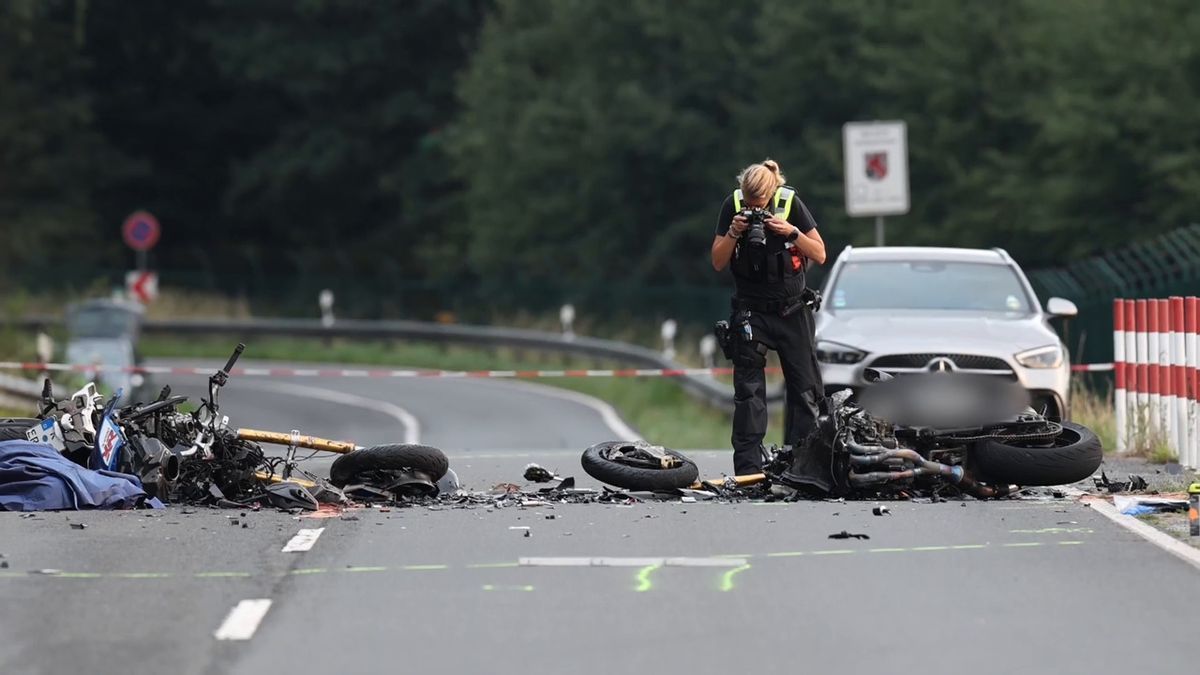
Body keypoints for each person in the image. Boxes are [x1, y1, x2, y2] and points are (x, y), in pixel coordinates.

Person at [711, 159, 826, 477]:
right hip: (751, 311)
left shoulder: (790, 202)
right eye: (749, 205)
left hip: (792, 311)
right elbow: (718, 261)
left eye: (759, 206)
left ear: (772, 193)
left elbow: (819, 253)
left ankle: (803, 466)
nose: (754, 211)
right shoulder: (732, 205)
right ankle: (749, 468)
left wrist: (791, 232)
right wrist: (734, 231)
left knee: (805, 391)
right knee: (749, 394)